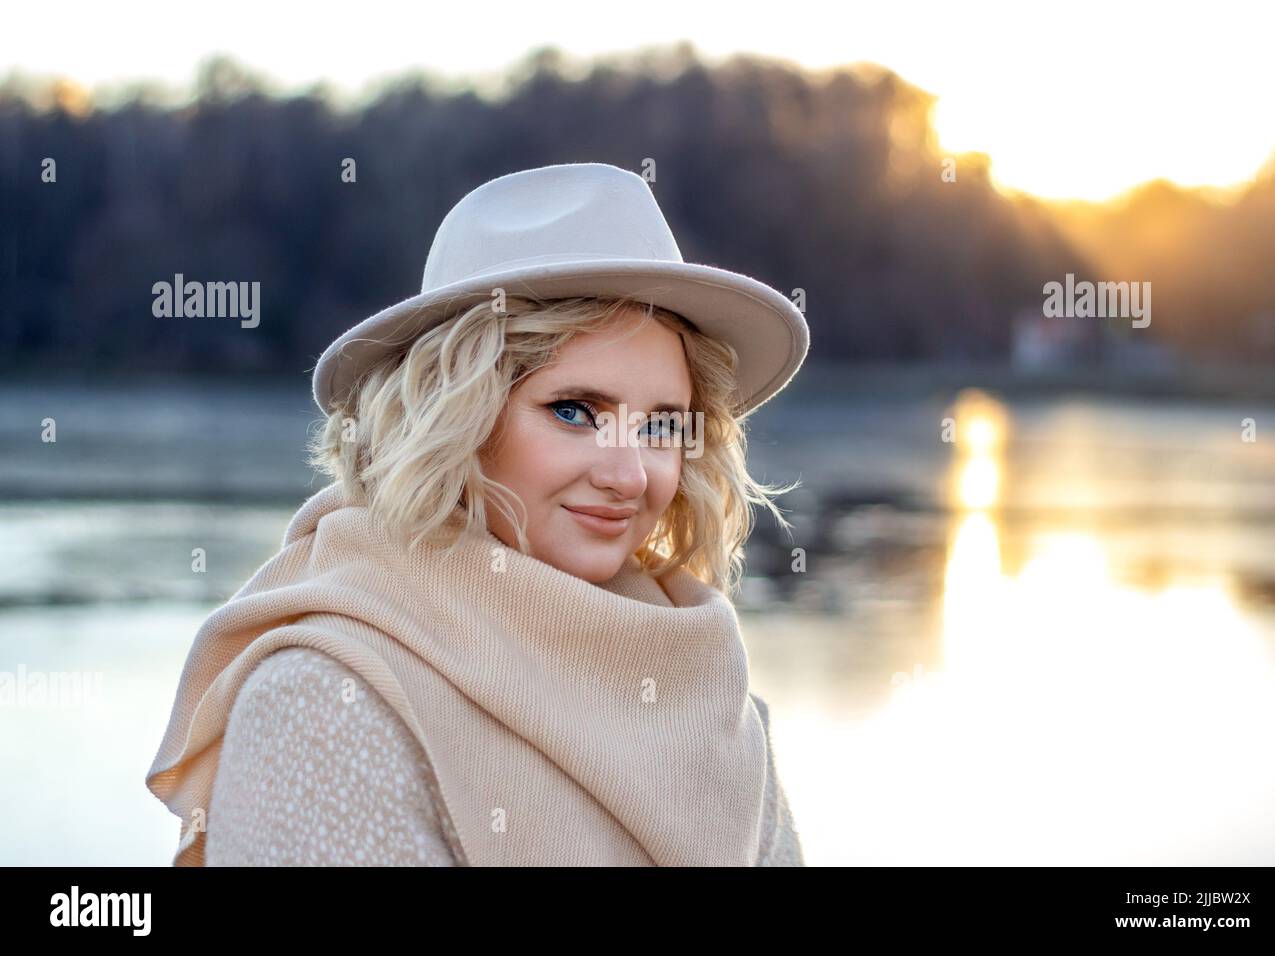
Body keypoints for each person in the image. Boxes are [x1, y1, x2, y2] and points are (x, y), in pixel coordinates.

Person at [145, 163, 810, 866]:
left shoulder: (710, 690)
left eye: (661, 426)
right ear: (452, 419)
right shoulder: (325, 700)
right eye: (574, 411)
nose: (627, 474)